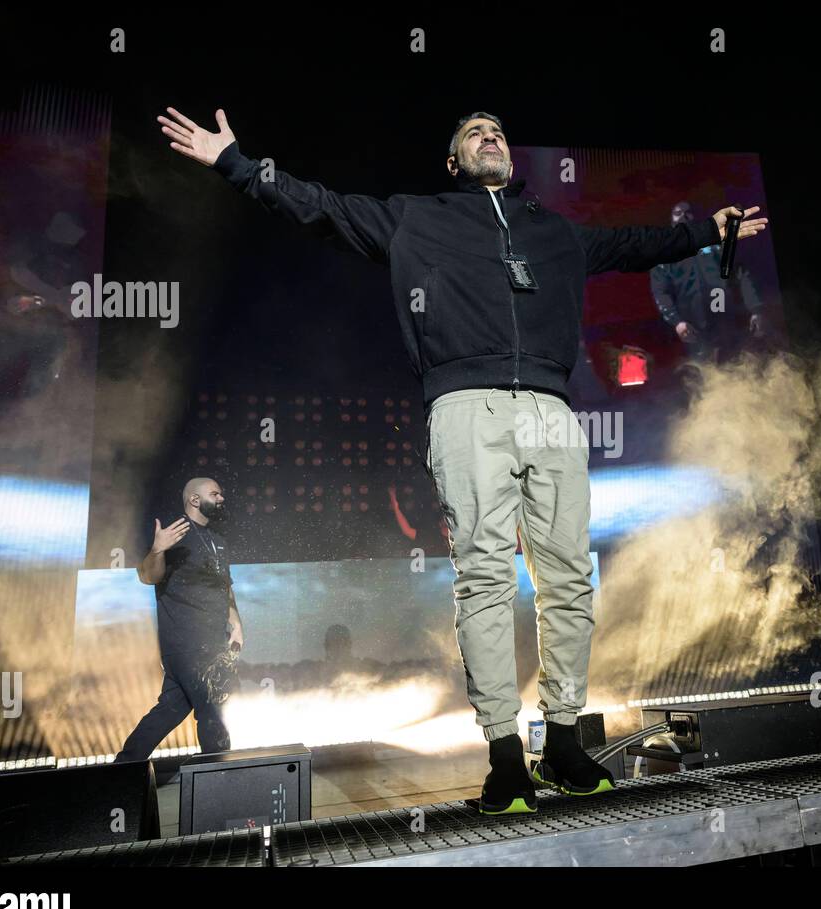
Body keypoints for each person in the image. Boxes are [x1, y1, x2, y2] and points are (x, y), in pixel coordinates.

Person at [157, 107, 769, 813]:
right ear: (453, 162)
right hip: (465, 406)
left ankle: (564, 742)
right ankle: (506, 758)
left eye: (500, 132)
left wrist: (706, 231)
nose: (490, 137)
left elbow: (636, 243)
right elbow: (319, 207)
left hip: (549, 409)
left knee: (569, 577)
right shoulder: (419, 218)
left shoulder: (552, 232)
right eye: (474, 132)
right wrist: (237, 164)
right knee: (484, 575)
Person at [115, 478, 243, 762]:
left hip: (212, 641)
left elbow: (225, 587)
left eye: (221, 493)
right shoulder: (176, 534)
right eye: (215, 494)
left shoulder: (217, 541)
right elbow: (148, 576)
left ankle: (121, 769)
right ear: (194, 500)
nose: (222, 498)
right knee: (213, 706)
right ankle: (221, 778)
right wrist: (158, 550)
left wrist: (236, 624)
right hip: (187, 643)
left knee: (170, 710)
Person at [650, 200, 766, 363]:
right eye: (678, 213)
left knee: (741, 367)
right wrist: (677, 322)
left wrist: (756, 309)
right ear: (671, 219)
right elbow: (660, 292)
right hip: (694, 328)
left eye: (687, 212)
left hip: (729, 320)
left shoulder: (718, 242)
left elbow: (741, 275)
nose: (683, 216)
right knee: (706, 375)